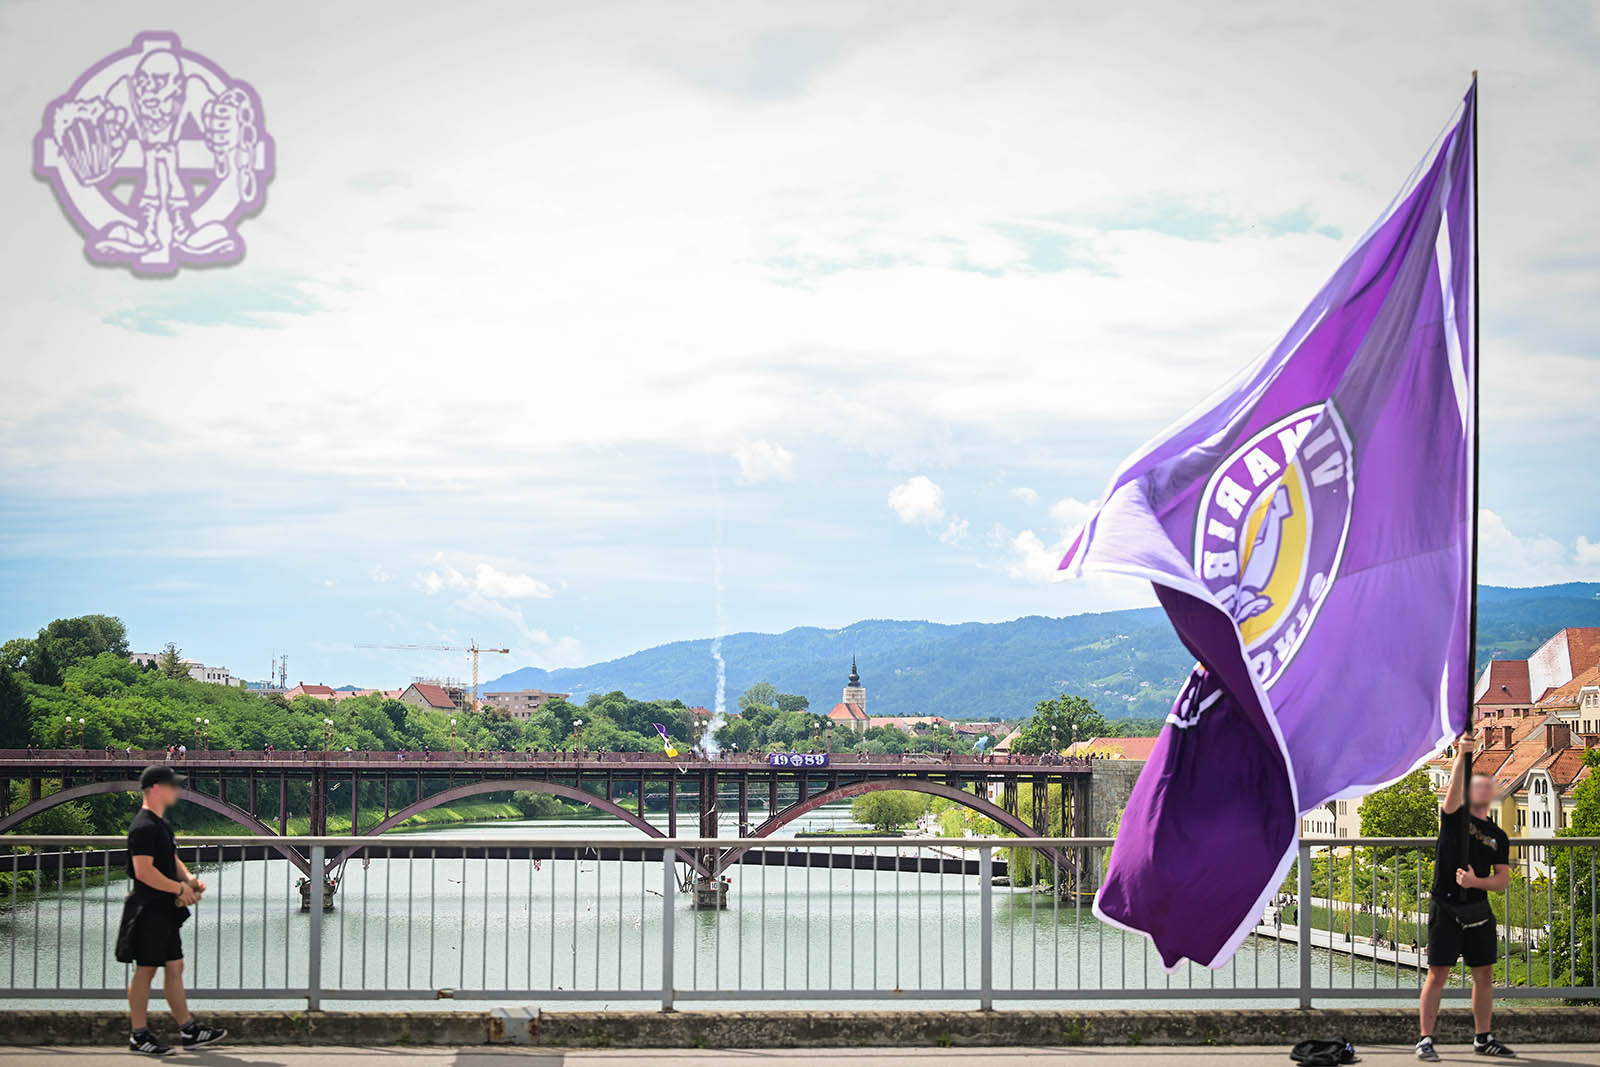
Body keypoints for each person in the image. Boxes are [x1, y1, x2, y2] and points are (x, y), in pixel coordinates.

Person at [119, 765, 228, 1055]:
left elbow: (171, 859)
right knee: (146, 971)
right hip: (148, 908)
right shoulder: (142, 827)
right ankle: (138, 1035)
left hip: (164, 909)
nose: (177, 790)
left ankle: (188, 1030)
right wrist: (180, 890)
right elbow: (144, 872)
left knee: (174, 966)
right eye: (172, 785)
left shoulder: (161, 825)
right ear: (156, 788)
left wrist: (189, 879)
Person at [1416, 738, 1512, 1061]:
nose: (1483, 789)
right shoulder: (1454, 818)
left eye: (1488, 785)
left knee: (1483, 974)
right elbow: (1450, 794)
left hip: (1477, 908)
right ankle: (1425, 1039)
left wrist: (1475, 881)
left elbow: (1502, 880)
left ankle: (1483, 1037)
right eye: (1477, 785)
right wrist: (1462, 755)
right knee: (1438, 973)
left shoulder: (1498, 837)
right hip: (1445, 903)